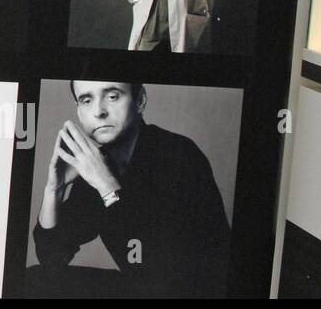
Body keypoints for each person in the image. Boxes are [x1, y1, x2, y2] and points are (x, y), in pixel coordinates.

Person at [28, 81, 230, 297]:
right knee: (35, 280)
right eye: (87, 100)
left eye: (113, 96)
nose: (98, 112)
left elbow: (159, 269)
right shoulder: (98, 166)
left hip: (191, 293)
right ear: (79, 110)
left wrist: (106, 185)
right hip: (142, 287)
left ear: (140, 100)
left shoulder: (178, 154)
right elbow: (51, 260)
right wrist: (55, 189)